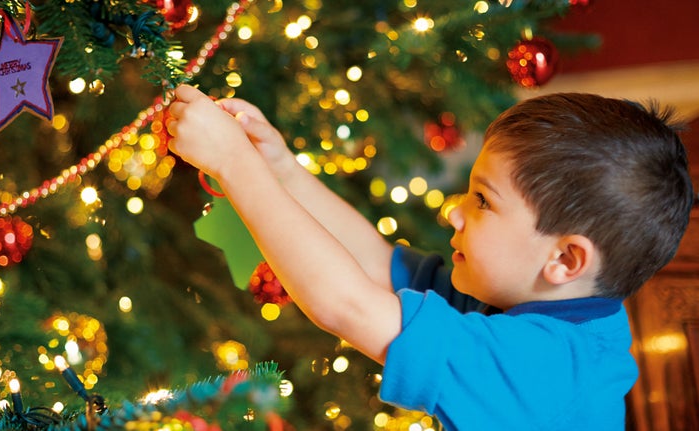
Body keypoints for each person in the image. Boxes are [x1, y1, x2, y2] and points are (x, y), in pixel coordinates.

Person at [167, 87, 694, 430]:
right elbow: (376, 263)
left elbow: (347, 304)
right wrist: (281, 169)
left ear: (565, 259)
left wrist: (235, 165)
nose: (453, 211)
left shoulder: (542, 366)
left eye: (483, 201)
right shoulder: (549, 298)